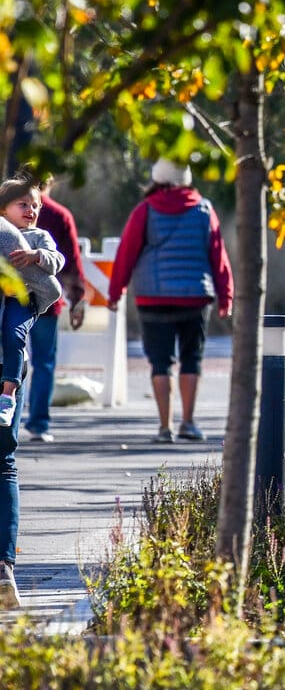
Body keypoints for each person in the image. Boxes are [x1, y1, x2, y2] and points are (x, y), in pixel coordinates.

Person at [107, 161, 233, 443]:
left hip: (153, 297)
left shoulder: (145, 210)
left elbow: (126, 252)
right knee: (192, 360)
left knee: (160, 363)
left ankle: (165, 428)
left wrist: (116, 292)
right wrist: (226, 295)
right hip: (195, 297)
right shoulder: (204, 209)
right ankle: (188, 422)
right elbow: (218, 256)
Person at [0, 177, 65, 611]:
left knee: (16, 335)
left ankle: (5, 568)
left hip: (17, 314)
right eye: (23, 205)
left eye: (35, 205)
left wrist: (37, 256)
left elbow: (56, 264)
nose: (32, 211)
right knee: (4, 463)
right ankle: (4, 570)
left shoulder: (34, 237)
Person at [23, 181, 84, 442]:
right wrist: (77, 299)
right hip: (46, 304)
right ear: (50, 182)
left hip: (13, 298)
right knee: (44, 362)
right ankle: (38, 423)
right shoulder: (59, 214)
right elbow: (71, 261)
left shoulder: (9, 211)